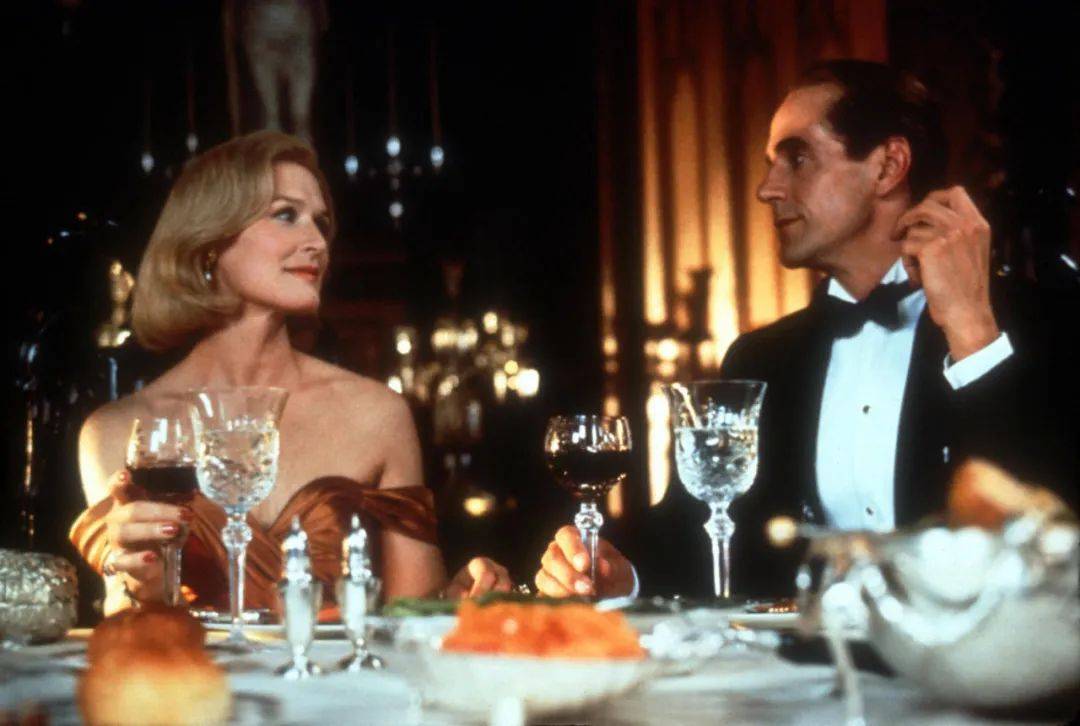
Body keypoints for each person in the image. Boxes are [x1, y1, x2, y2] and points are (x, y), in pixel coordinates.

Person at [535, 59, 1079, 600]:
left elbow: (1053, 532)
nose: (767, 189)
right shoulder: (760, 358)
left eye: (798, 158)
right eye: (771, 163)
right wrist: (614, 573)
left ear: (888, 166)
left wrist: (973, 335)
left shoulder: (1045, 324)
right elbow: (696, 533)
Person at [70, 130, 511, 615]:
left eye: (321, 223)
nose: (317, 242)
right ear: (210, 242)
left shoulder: (377, 413)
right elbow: (128, 627)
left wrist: (463, 597)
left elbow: (411, 617)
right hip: (190, 666)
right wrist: (142, 586)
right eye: (286, 215)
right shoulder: (118, 432)